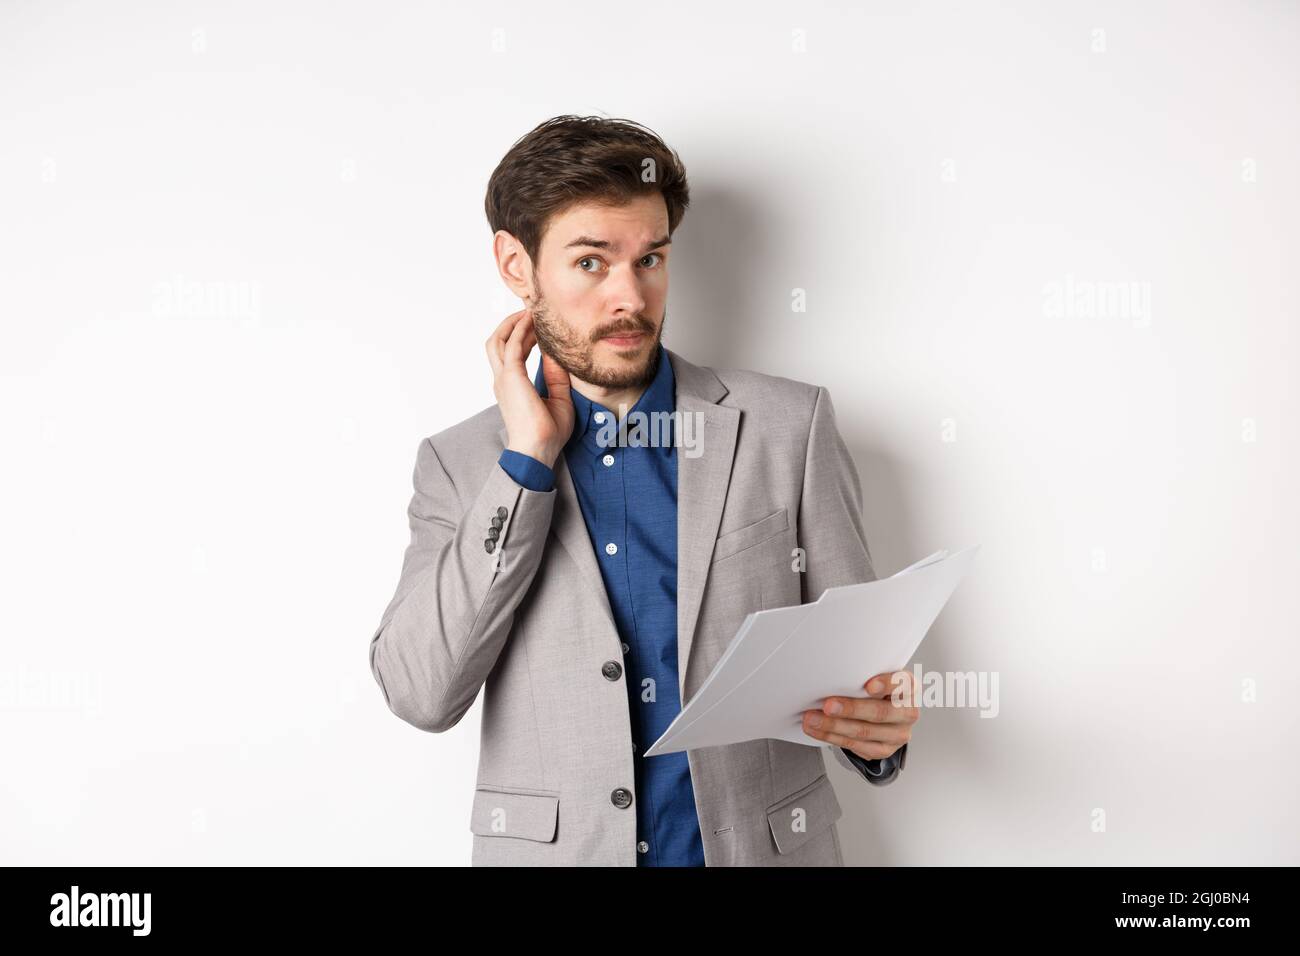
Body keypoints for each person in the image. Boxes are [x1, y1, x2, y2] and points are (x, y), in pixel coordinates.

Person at [369, 114, 915, 866]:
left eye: (650, 258)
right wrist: (526, 460)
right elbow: (421, 693)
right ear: (516, 265)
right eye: (592, 263)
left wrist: (878, 733)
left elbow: (859, 673)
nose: (630, 298)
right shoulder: (461, 465)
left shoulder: (790, 427)